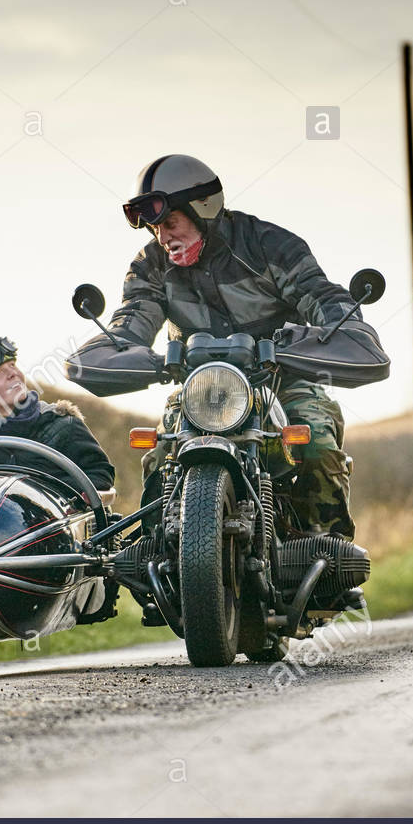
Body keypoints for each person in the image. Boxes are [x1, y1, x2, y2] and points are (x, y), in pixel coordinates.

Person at [81, 153, 369, 539]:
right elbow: (132, 320)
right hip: (199, 392)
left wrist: (343, 329)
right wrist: (110, 349)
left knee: (316, 439)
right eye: (154, 228)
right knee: (160, 457)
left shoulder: (268, 245)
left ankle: (330, 567)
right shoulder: (151, 265)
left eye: (170, 222)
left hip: (283, 383)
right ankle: (156, 564)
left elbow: (319, 294)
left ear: (202, 210)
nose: (163, 237)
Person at [0, 335, 115, 493]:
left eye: (12, 365)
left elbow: (100, 474)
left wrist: (44, 495)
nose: (13, 374)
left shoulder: (64, 424)